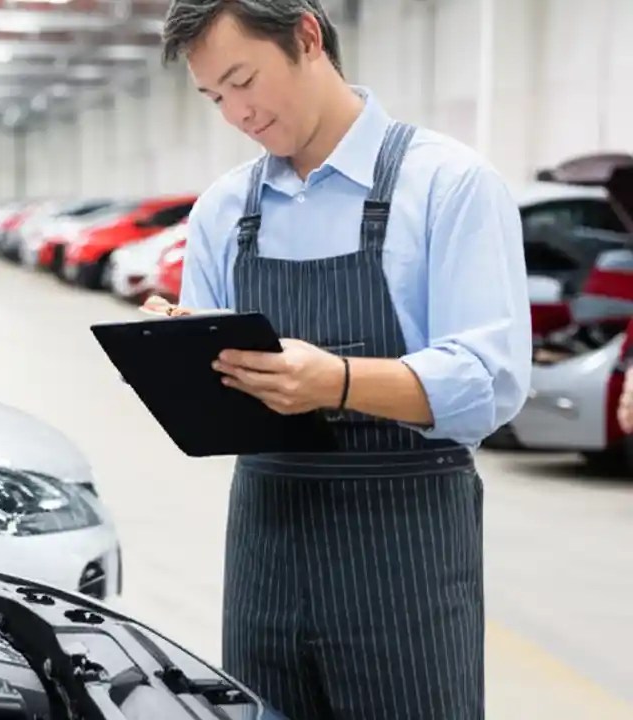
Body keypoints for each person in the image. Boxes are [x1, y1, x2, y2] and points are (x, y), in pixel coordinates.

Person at [150, 1, 532, 719]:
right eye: (215, 97)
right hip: (266, 539)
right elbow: (211, 384)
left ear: (306, 37)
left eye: (243, 80)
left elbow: (490, 382)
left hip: (402, 550)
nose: (237, 114)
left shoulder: (448, 184)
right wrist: (178, 354)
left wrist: (339, 381)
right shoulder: (225, 211)